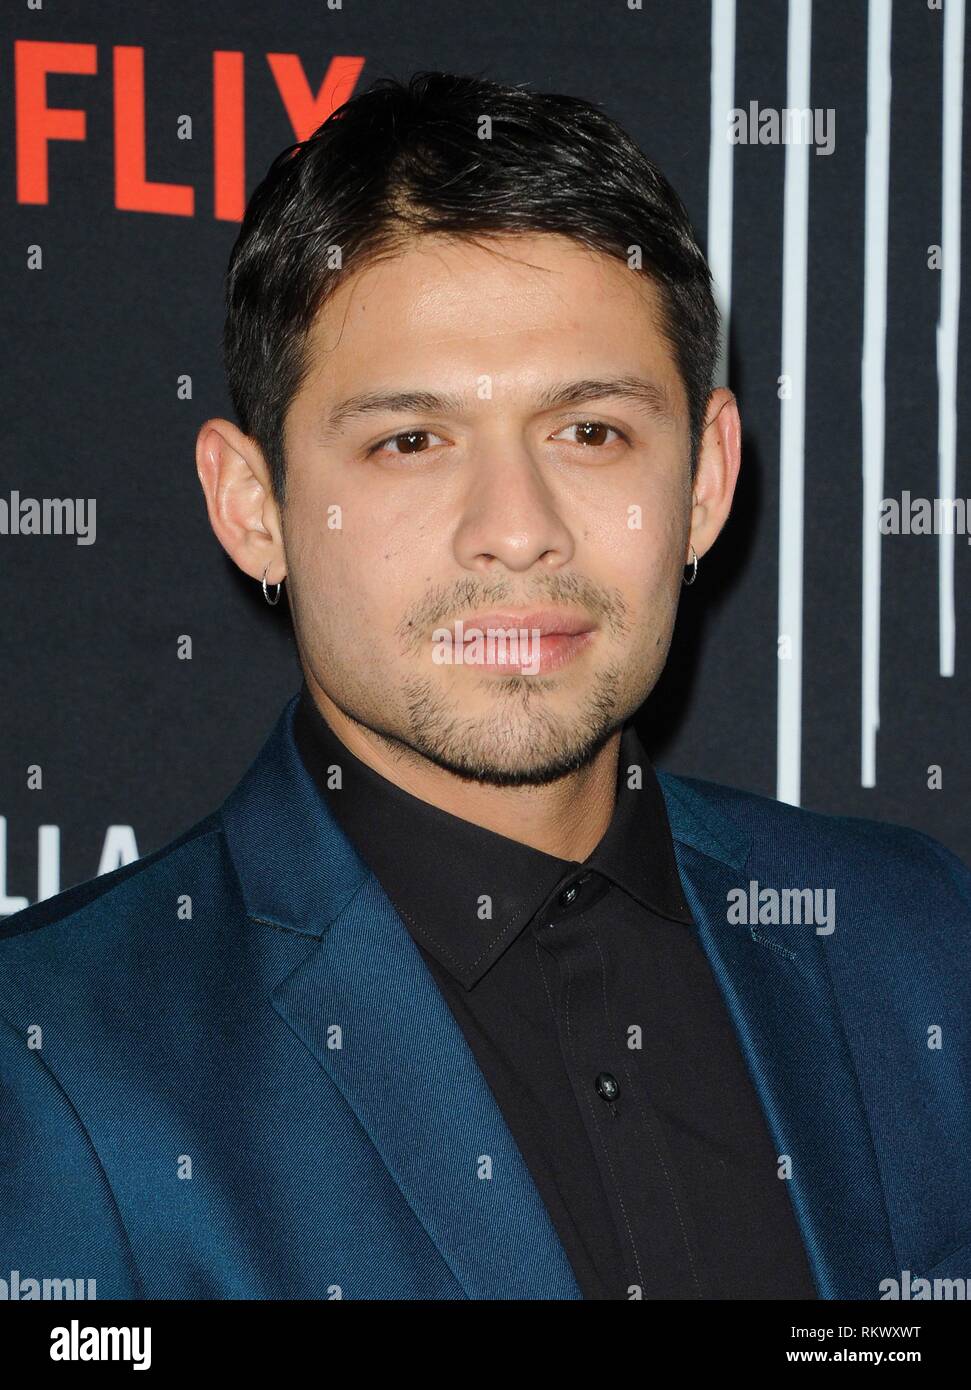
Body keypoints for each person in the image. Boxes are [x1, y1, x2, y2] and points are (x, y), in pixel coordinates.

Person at [3, 71, 969, 1302]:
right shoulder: (50, 1058)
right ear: (255, 510)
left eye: (589, 432)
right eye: (410, 442)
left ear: (708, 478)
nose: (514, 532)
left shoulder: (913, 940)